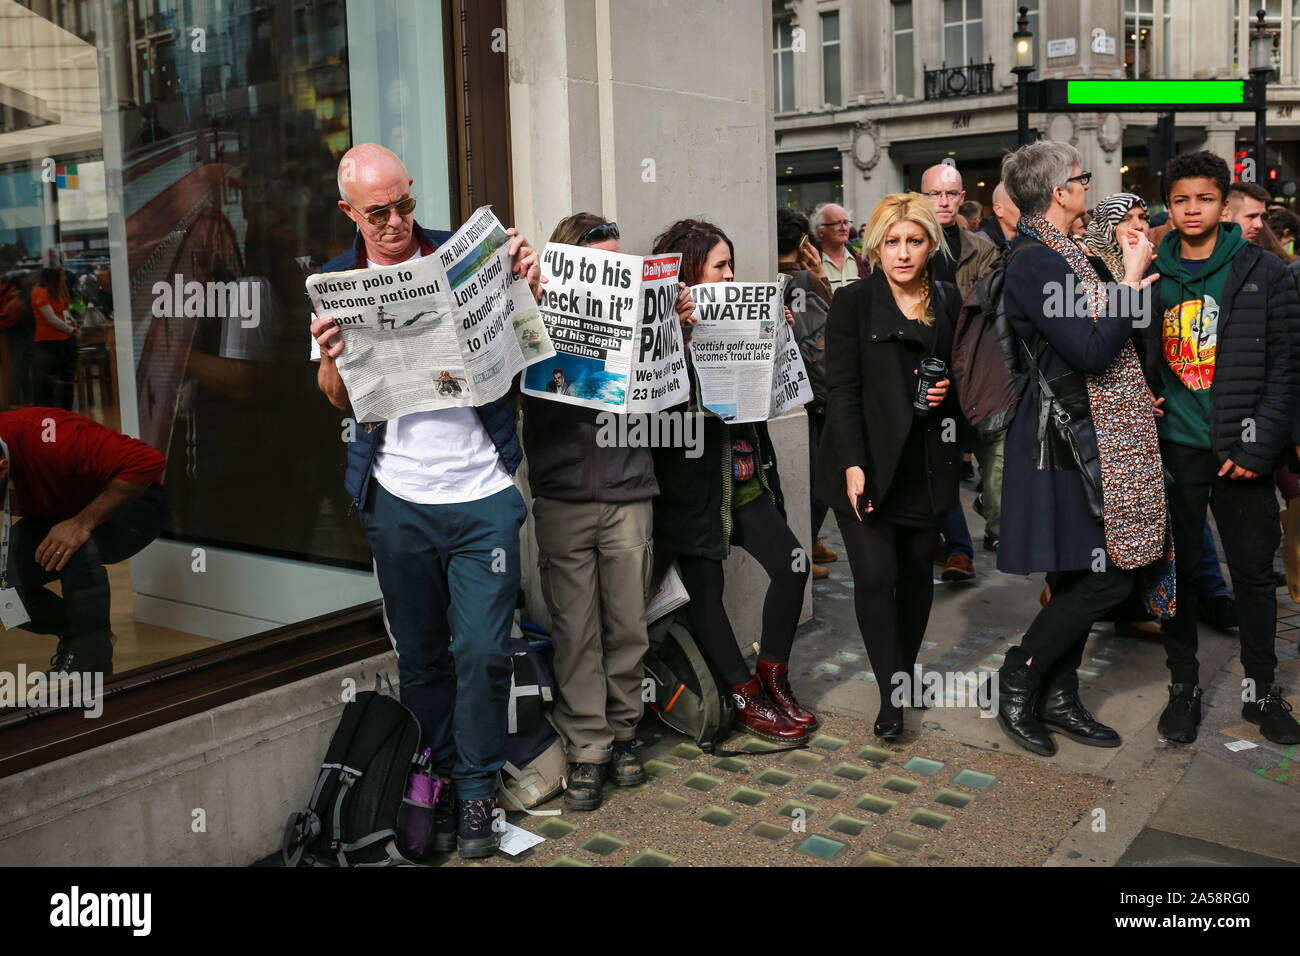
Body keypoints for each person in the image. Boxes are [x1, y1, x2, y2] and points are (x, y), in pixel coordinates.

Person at [309, 143, 544, 858]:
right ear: (349, 211)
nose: (395, 223)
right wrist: (329, 358)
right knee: (422, 658)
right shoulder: (340, 284)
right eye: (377, 213)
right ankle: (433, 784)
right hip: (398, 499)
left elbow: (533, 343)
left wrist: (527, 281)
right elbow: (334, 400)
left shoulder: (465, 255)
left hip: (483, 495)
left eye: (404, 204)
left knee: (481, 650)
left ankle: (476, 795)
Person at [994, 142, 1168, 757]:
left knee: (1079, 572)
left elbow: (1112, 345)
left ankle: (1059, 694)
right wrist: (1125, 281)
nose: (1088, 187)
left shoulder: (1075, 254)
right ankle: (1019, 677)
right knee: (1105, 579)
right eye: (1081, 178)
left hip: (1089, 434)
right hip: (1061, 443)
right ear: (1058, 192)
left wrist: (1124, 284)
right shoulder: (1036, 263)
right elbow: (1092, 350)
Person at [521, 212, 695, 811]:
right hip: (563, 494)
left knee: (627, 626)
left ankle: (623, 735)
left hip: (629, 491)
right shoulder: (535, 311)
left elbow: (671, 395)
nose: (616, 272)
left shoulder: (646, 309)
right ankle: (587, 748)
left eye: (622, 262)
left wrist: (677, 332)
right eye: (604, 263)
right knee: (575, 632)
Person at [1144, 151, 1300, 746]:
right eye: (1181, 200)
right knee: (1177, 572)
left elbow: (1285, 369)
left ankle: (1262, 692)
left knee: (1254, 577)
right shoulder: (1151, 272)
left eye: (1203, 199)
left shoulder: (1263, 271)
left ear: (1223, 203)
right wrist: (1144, 397)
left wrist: (1258, 448)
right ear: (1170, 203)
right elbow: (1126, 352)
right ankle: (1183, 687)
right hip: (1175, 447)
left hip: (1243, 447)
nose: (1191, 210)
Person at [650, 218, 816, 744]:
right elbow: (653, 412)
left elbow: (772, 397)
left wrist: (776, 340)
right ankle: (744, 694)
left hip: (746, 482)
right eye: (720, 266)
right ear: (691, 271)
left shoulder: (741, 312)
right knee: (706, 595)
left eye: (731, 265)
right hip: (693, 491)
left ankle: (774, 673)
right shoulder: (664, 326)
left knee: (793, 566)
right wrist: (675, 334)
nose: (730, 276)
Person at [816, 193, 960, 739]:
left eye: (915, 241)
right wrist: (853, 463)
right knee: (876, 576)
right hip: (865, 461)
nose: (903, 253)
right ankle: (891, 694)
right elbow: (843, 390)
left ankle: (902, 671)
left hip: (924, 463)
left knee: (917, 578)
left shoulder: (945, 299)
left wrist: (949, 391)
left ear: (930, 244)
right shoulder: (854, 302)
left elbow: (959, 375)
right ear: (876, 246)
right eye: (893, 242)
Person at [1085, 192, 1238, 633]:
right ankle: (1115, 603)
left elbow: (1163, 346)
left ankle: (1195, 596)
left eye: (1141, 217)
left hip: (1156, 411)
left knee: (1173, 514)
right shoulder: (1091, 276)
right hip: (1110, 419)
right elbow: (1093, 351)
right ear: (1106, 228)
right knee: (1122, 520)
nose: (1138, 226)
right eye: (1126, 219)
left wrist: (1157, 390)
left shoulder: (1155, 272)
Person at [0, 407, 167, 676]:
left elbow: (148, 461)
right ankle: (78, 636)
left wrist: (81, 523)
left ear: (2, 468)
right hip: (58, 511)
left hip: (133, 503)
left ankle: (93, 665)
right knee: (2, 586)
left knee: (74, 549)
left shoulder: (50, 439)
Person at [920, 163, 998, 579]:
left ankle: (961, 545)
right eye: (935, 194)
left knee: (955, 454)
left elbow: (988, 309)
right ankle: (954, 546)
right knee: (933, 454)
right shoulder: (907, 240)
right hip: (918, 360)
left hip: (964, 366)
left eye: (951, 194)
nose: (944, 202)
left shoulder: (980, 249)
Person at [777, 208, 835, 580]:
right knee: (819, 478)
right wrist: (821, 275)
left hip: (786, 388)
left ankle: (809, 544)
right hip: (816, 389)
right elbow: (835, 319)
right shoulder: (806, 279)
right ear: (802, 244)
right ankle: (806, 544)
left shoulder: (762, 276)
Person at [29, 266, 80, 410]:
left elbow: (65, 312)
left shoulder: (58, 292)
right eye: (61, 276)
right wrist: (71, 330)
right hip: (49, 343)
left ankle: (65, 410)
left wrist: (75, 325)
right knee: (48, 382)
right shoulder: (40, 293)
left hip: (65, 341)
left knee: (66, 379)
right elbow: (51, 319)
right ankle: (50, 412)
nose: (64, 278)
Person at [810, 202, 866, 293]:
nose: (843, 228)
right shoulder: (812, 263)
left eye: (846, 222)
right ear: (820, 230)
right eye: (837, 223)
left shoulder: (862, 262)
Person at [978, 183, 1020, 251]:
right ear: (999, 210)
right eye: (1020, 205)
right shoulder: (981, 244)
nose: (1027, 210)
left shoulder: (1026, 242)